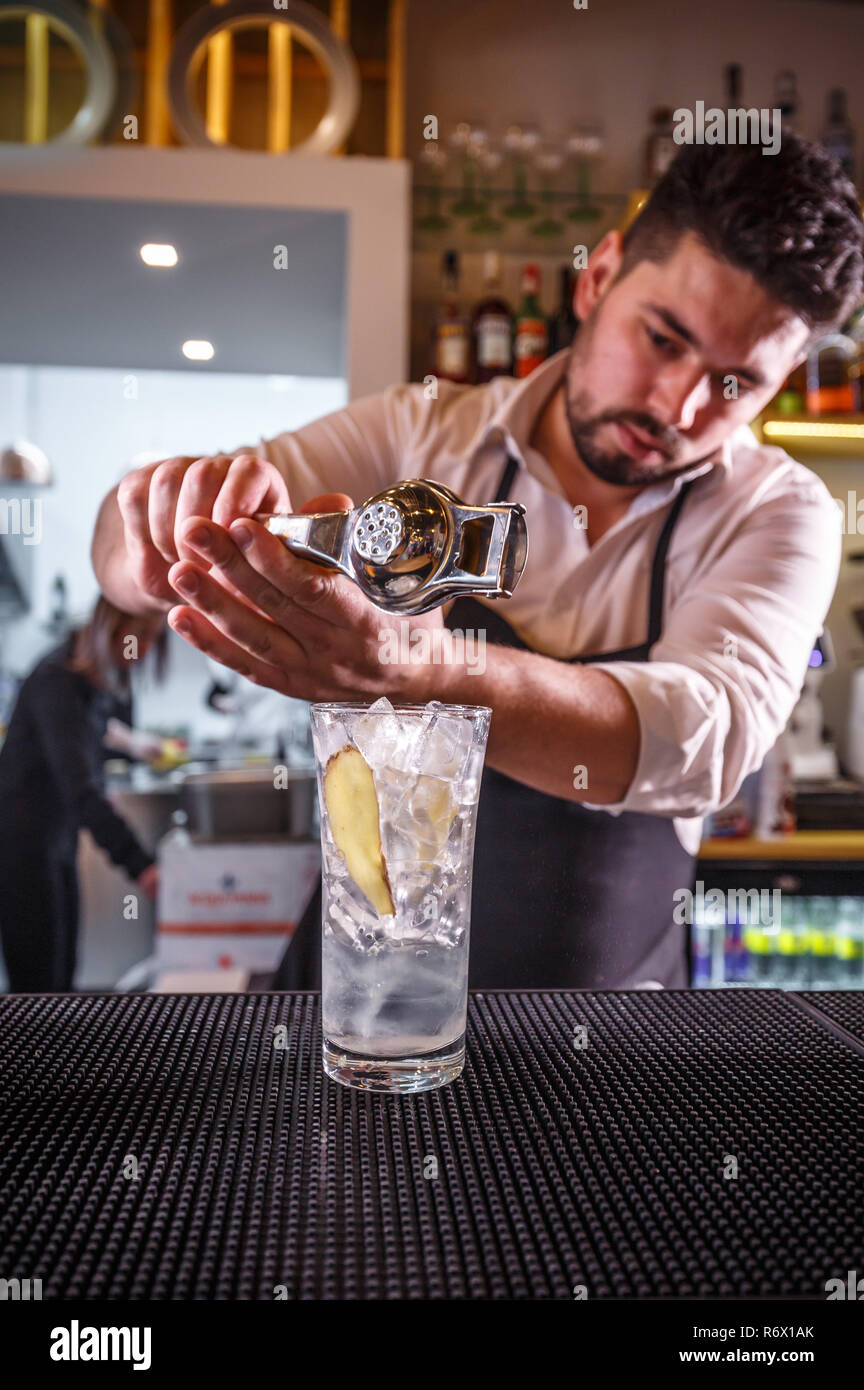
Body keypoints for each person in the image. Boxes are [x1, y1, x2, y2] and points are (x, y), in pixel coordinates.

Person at [91, 135, 864, 989]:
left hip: (609, 1032)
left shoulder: (779, 511)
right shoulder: (419, 433)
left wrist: (423, 671)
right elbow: (122, 550)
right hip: (364, 1002)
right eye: (663, 338)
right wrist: (159, 528)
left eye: (735, 383)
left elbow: (704, 739)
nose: (677, 407)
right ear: (600, 277)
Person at [0, 598, 165, 992]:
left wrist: (132, 743)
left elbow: (92, 729)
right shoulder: (55, 681)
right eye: (140, 636)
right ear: (110, 629)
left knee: (61, 976)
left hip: (57, 838)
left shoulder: (85, 681)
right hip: (23, 845)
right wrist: (141, 865)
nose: (144, 649)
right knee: (37, 986)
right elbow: (80, 789)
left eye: (153, 638)